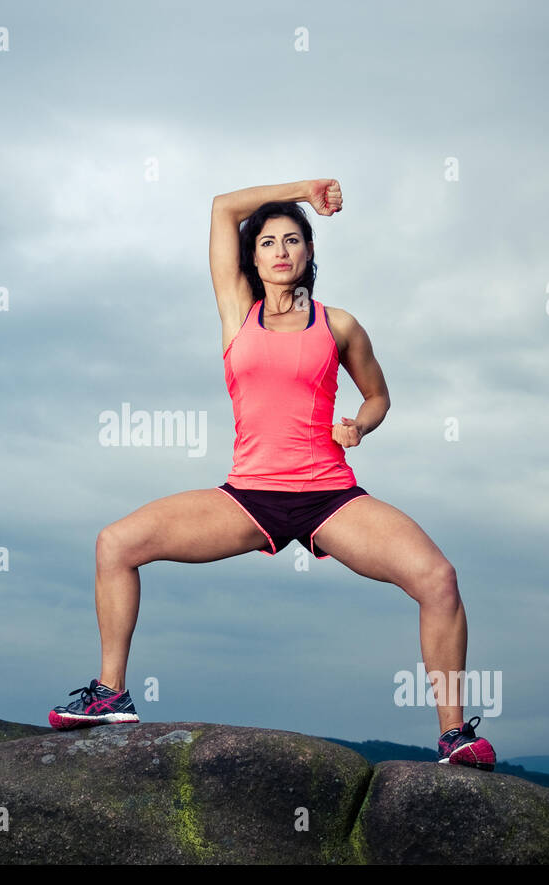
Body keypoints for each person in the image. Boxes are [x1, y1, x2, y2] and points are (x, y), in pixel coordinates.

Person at [47, 179, 496, 771]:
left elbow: (379, 396)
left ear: (309, 252)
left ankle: (454, 735)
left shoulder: (339, 326)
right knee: (115, 543)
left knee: (438, 579)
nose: (281, 250)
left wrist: (360, 425)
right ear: (251, 256)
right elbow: (220, 208)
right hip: (248, 496)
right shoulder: (238, 313)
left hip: (329, 497)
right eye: (267, 242)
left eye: (292, 240)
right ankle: (111, 695)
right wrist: (306, 191)